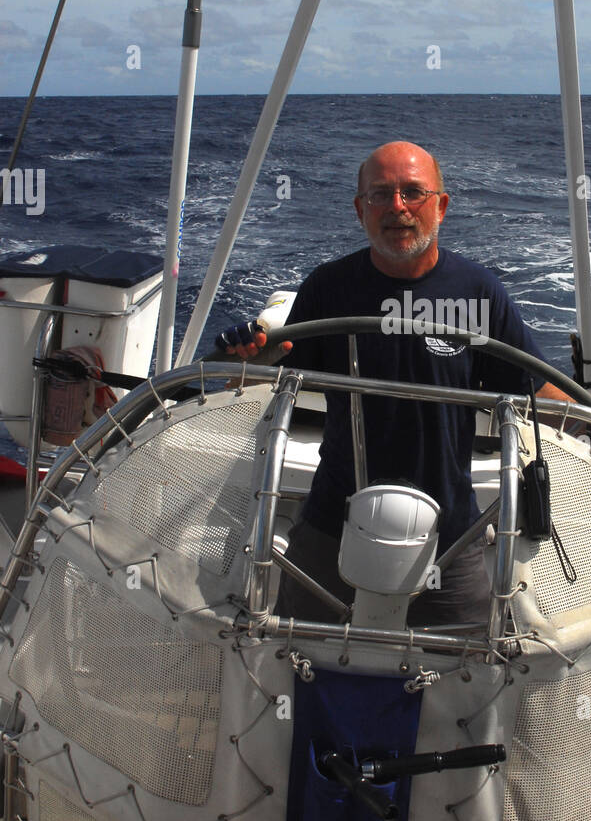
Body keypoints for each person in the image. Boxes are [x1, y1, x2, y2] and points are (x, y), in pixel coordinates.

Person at [217, 141, 571, 626]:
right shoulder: (328, 288)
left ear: (441, 206)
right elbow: (275, 368)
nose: (397, 208)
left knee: (469, 677)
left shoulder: (480, 293)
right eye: (380, 195)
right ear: (360, 209)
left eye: (413, 193)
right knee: (299, 656)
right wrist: (247, 353)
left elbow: (532, 385)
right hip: (333, 522)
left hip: (451, 532)